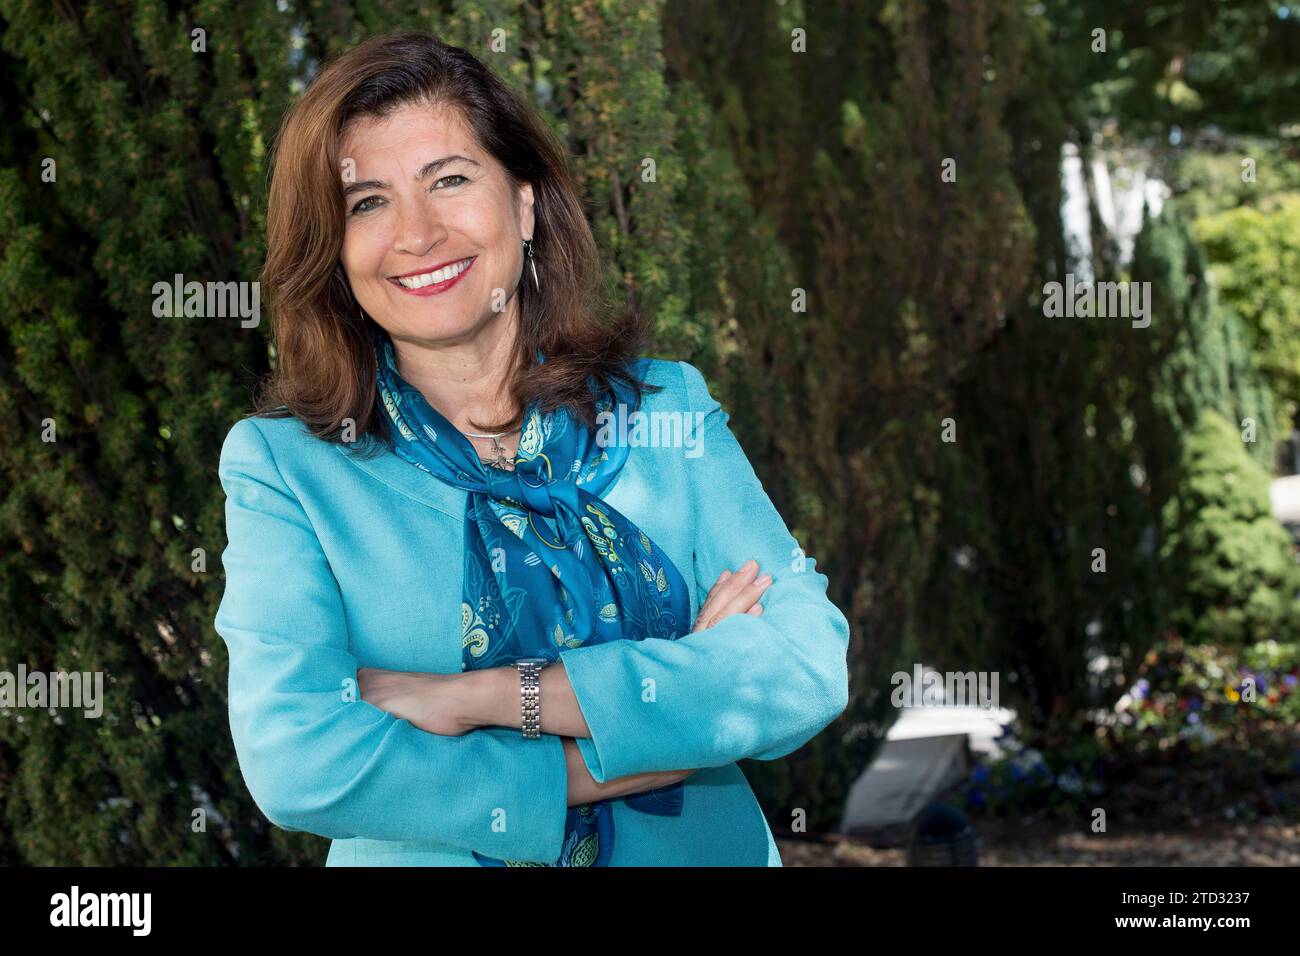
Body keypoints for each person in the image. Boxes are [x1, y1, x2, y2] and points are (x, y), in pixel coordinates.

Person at [214, 30, 850, 867]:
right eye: (366, 202)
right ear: (333, 252)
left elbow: (803, 667)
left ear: (523, 204)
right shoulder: (289, 469)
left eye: (449, 180)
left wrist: (478, 698)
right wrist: (642, 735)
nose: (416, 232)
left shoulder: (664, 409)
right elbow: (300, 764)